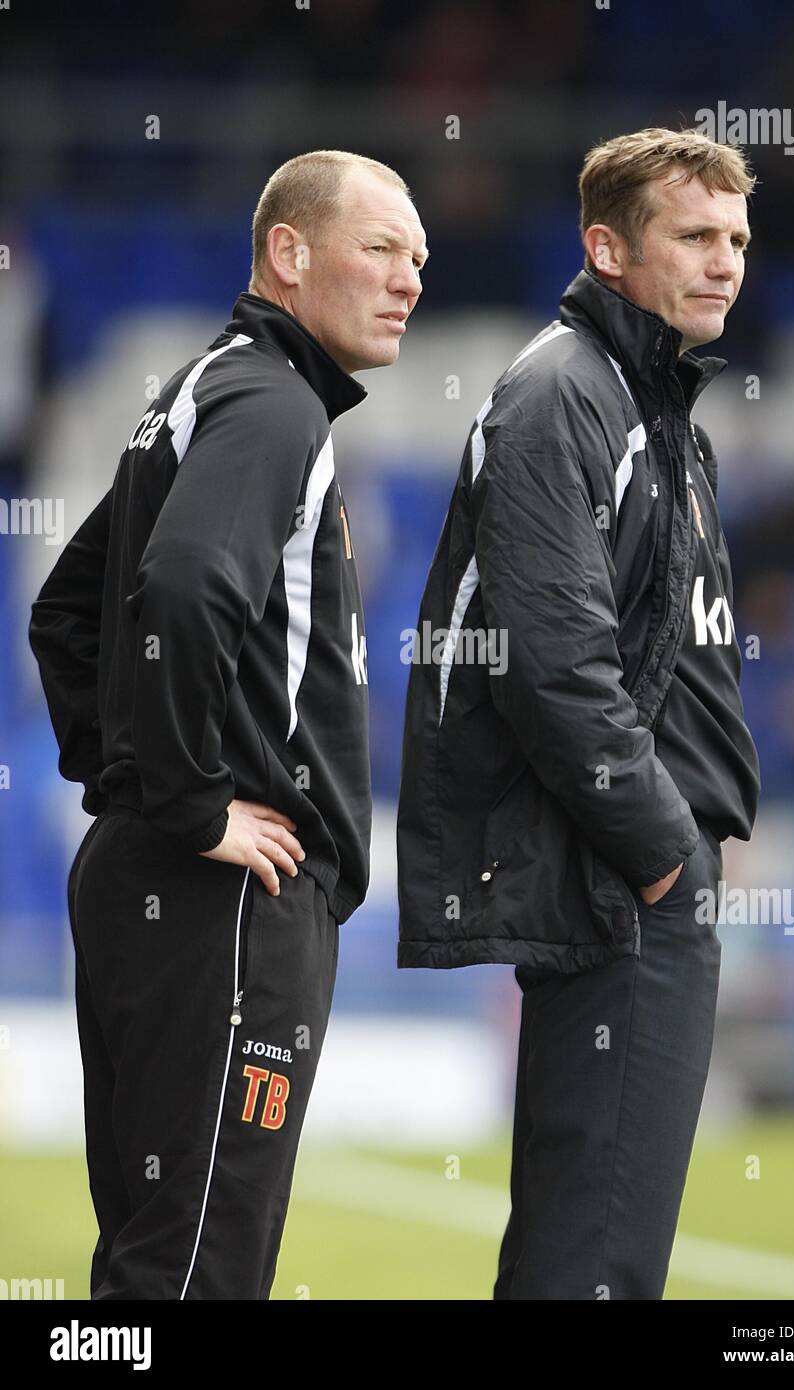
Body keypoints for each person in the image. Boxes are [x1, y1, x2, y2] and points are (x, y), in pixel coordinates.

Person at [29, 149, 427, 1300]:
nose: (407, 279)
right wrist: (189, 800)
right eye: (378, 249)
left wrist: (134, 790)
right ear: (286, 254)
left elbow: (65, 613)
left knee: (150, 1262)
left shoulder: (202, 390)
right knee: (200, 1270)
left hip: (154, 881)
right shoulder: (274, 402)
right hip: (231, 901)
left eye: (417, 259)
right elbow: (189, 583)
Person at [396, 127, 760, 1299]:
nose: (724, 262)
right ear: (606, 249)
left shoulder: (660, 411)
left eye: (738, 238)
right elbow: (551, 662)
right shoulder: (564, 392)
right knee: (591, 1254)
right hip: (619, 884)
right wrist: (662, 853)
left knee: (602, 1244)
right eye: (693, 236)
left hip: (644, 872)